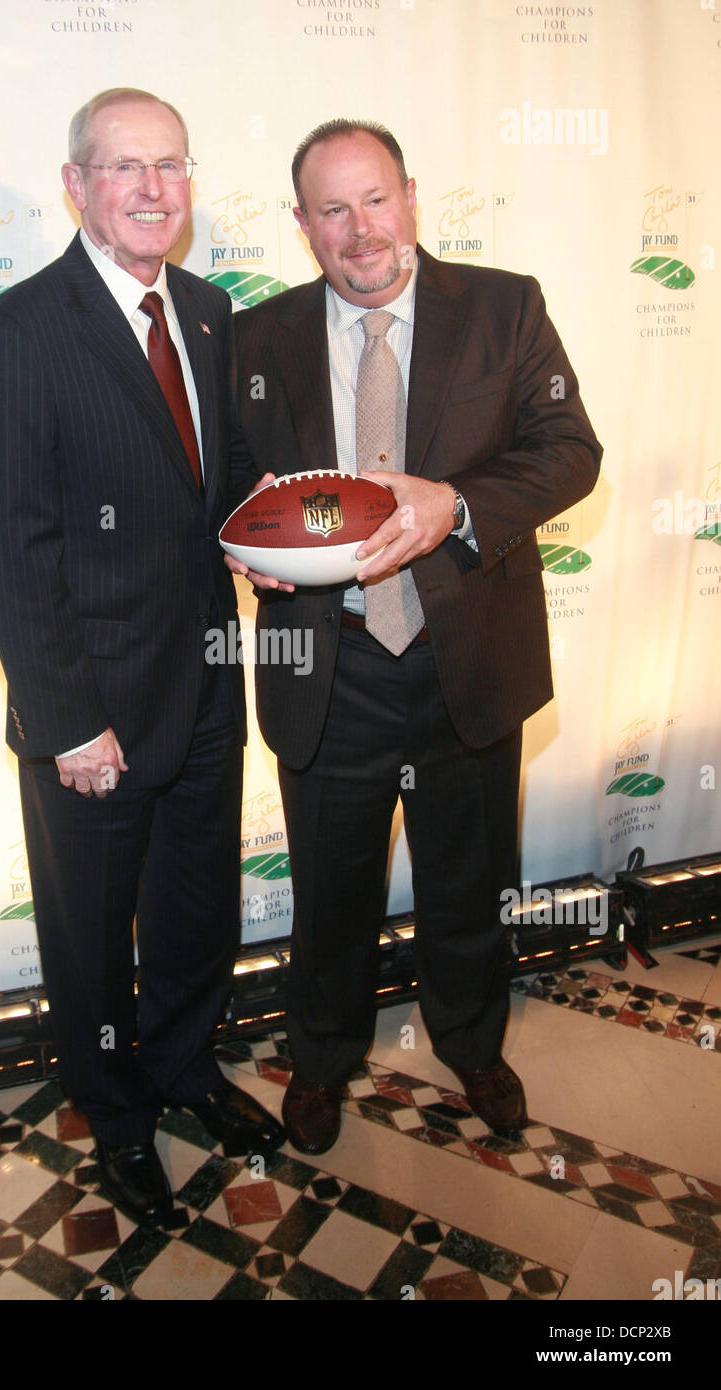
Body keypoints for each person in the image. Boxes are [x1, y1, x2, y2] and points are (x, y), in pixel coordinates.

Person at [228, 118, 602, 1155]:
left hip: (466, 659)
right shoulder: (256, 338)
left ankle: (473, 1043)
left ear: (411, 196)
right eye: (333, 210)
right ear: (301, 225)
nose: (360, 229)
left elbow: (570, 450)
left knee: (468, 874)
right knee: (329, 886)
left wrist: (457, 502)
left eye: (376, 199)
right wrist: (239, 537)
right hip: (326, 659)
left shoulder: (502, 305)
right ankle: (321, 1055)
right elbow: (223, 487)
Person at [0, 87, 283, 1227]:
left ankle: (187, 1069)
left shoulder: (206, 309)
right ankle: (116, 1110)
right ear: (77, 187)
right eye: (125, 167)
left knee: (197, 901)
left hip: (202, 683)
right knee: (90, 931)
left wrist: (273, 541)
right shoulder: (9, 333)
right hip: (89, 707)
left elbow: (222, 481)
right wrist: (65, 721)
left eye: (171, 166)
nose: (152, 188)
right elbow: (9, 547)